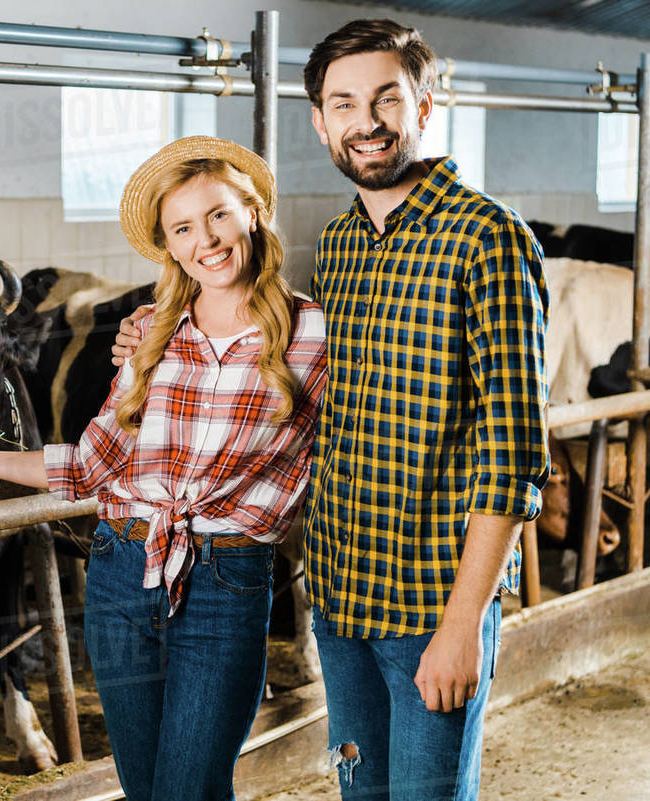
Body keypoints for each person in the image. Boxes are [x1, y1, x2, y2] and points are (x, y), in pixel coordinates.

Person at [113, 20, 549, 801]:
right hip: (342, 599)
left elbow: (513, 452)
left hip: (430, 604)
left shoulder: (489, 237)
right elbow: (262, 356)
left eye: (387, 97)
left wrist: (463, 626)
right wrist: (151, 338)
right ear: (319, 121)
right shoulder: (341, 244)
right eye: (344, 103)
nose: (367, 121)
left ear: (424, 103)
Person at [0, 135, 327, 801]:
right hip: (121, 572)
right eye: (182, 227)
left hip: (226, 579)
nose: (205, 239)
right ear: (169, 245)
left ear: (252, 213)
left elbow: (359, 449)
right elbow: (93, 464)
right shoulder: (153, 330)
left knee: (190, 787)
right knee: (148, 790)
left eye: (218, 215)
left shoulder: (315, 334)